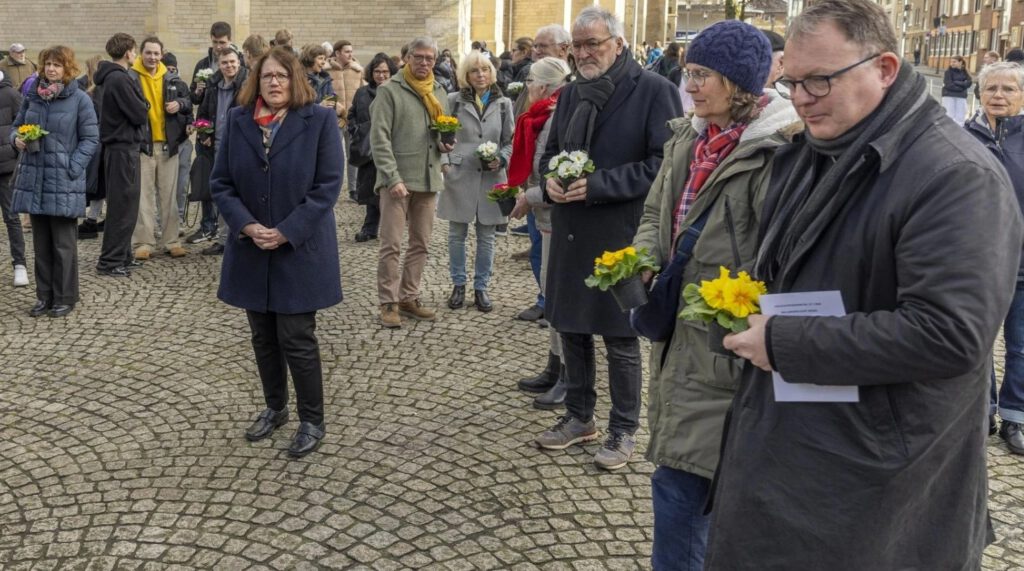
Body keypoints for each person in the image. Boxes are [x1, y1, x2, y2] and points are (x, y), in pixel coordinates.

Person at [706, 1, 1023, 567]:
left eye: (820, 80)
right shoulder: (812, 151)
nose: (801, 98)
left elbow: (949, 334)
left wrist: (781, 342)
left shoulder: (957, 176)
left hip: (877, 484)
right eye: (792, 82)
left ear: (885, 68)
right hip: (795, 446)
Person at [632, 21, 798, 568]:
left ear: (739, 82)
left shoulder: (777, 153)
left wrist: (731, 309)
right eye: (689, 73)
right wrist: (646, 259)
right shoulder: (689, 137)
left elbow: (780, 263)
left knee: (684, 491)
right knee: (680, 485)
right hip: (679, 341)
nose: (690, 85)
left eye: (702, 74)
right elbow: (655, 213)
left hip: (726, 351)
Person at [533, 7, 682, 469]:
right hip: (571, 229)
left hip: (621, 232)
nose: (583, 53)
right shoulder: (571, 92)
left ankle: (623, 428)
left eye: (592, 44)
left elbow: (664, 165)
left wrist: (599, 185)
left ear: (617, 44)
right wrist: (551, 180)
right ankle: (580, 417)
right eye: (577, 46)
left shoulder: (654, 90)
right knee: (572, 327)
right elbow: (551, 153)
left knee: (620, 337)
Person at [211, 46, 343, 458]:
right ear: (257, 80)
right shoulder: (239, 120)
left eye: (281, 76)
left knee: (296, 336)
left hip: (299, 249)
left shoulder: (319, 120)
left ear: (295, 80)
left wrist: (287, 231)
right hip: (252, 247)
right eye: (267, 76)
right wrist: (245, 224)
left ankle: (312, 420)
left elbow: (327, 187)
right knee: (263, 336)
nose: (274, 82)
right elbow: (221, 183)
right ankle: (275, 407)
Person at [370, 36, 453, 328]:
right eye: (418, 57)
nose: (424, 63)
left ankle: (408, 297)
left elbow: (440, 132)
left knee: (421, 243)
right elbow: (379, 138)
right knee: (391, 244)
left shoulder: (439, 91)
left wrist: (444, 146)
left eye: (430, 58)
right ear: (407, 58)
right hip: (397, 181)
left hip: (428, 179)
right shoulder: (389, 90)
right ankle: (388, 302)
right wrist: (391, 177)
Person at [10, 45, 99, 317]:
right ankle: (44, 296)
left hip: (63, 181)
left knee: (63, 245)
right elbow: (16, 125)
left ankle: (65, 296)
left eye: (57, 65)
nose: (51, 69)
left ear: (67, 68)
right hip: (35, 178)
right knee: (41, 244)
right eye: (48, 64)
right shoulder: (34, 96)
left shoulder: (80, 99)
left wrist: (73, 167)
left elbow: (91, 139)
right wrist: (16, 139)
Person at [965, 61, 1024, 456]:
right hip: (978, 262)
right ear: (980, 93)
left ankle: (1015, 417)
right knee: (979, 342)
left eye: (1008, 89)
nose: (999, 95)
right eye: (991, 88)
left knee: (1021, 346)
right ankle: (981, 410)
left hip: (1023, 262)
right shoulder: (962, 137)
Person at [507, 57, 573, 407]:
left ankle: (568, 374)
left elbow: (556, 175)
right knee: (551, 290)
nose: (527, 85)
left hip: (558, 218)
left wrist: (528, 197)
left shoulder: (555, 118)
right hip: (545, 216)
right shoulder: (540, 115)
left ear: (544, 87)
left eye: (531, 80)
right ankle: (554, 364)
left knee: (558, 297)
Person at [437, 50, 514, 313]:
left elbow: (509, 141)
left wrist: (502, 159)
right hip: (460, 174)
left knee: (487, 237)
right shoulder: (453, 101)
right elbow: (441, 134)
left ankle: (481, 287)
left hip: (492, 177)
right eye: (474, 70)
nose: (480, 75)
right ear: (466, 75)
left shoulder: (504, 104)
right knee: (456, 235)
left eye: (485, 70)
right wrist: (445, 163)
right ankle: (458, 285)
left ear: (492, 72)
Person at [516, 24, 573, 325]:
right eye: (535, 46)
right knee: (539, 250)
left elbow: (556, 165)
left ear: (564, 49)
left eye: (542, 46)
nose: (535, 51)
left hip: (549, 199)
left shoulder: (562, 109)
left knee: (554, 260)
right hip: (536, 193)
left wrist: (531, 194)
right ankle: (546, 300)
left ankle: (552, 307)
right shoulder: (540, 106)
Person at [129, 37, 191, 261]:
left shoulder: (172, 77)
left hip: (167, 145)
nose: (152, 57)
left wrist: (179, 104)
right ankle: (143, 242)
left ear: (162, 55)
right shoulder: (131, 77)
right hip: (142, 146)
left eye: (156, 53)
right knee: (143, 198)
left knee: (169, 196)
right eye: (148, 53)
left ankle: (171, 241)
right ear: (141, 53)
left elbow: (188, 102)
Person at [95, 33, 149, 279]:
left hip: (120, 149)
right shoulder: (119, 78)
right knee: (123, 206)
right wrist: (144, 105)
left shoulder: (112, 78)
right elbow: (139, 113)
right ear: (128, 52)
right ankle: (110, 261)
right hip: (122, 149)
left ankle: (123, 255)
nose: (135, 55)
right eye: (135, 51)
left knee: (126, 204)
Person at [193, 45, 249, 256]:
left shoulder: (247, 85)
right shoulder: (213, 85)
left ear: (239, 62)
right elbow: (203, 114)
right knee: (223, 195)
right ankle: (225, 239)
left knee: (242, 193)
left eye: (232, 62)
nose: (229, 66)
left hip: (241, 148)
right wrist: (204, 133)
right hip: (217, 148)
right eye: (224, 63)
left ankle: (243, 235)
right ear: (218, 65)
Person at [348, 53, 397, 243]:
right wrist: (356, 129)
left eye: (385, 71)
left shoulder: (396, 92)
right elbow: (352, 114)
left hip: (389, 148)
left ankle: (388, 229)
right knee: (370, 189)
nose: (381, 75)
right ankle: (370, 227)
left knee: (388, 188)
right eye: (377, 71)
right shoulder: (362, 93)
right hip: (367, 148)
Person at [327, 40, 365, 200]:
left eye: (351, 51)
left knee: (353, 154)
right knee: (333, 155)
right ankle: (330, 187)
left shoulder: (358, 71)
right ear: (337, 53)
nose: (351, 54)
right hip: (334, 119)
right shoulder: (327, 71)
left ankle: (353, 189)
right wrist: (340, 110)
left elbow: (363, 94)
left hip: (353, 120)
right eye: (347, 51)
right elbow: (325, 95)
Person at [0, 70, 27, 287]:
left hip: (6, 167)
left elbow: (22, 127)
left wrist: (14, 151)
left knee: (11, 217)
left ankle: (20, 265)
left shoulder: (11, 94)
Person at [161, 52, 193, 227]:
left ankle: (179, 219)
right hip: (165, 142)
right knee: (164, 187)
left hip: (181, 139)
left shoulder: (181, 84)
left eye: (173, 69)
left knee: (181, 184)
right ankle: (162, 221)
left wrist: (189, 122)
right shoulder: (157, 84)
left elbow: (189, 107)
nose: (171, 72)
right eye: (168, 68)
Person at [77, 55, 106, 240]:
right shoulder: (85, 87)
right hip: (98, 140)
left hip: (97, 141)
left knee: (99, 183)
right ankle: (91, 219)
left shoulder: (96, 90)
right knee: (99, 183)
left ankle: (91, 220)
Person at [190, 22, 236, 104]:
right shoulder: (202, 64)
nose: (218, 47)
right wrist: (198, 92)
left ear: (230, 41)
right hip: (207, 111)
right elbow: (194, 99)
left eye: (222, 42)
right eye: (215, 42)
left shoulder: (240, 63)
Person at [942, 55, 971, 122]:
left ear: (960, 62)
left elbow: (969, 83)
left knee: (961, 116)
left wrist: (956, 82)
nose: (952, 63)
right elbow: (949, 85)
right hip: (949, 95)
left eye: (954, 62)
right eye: (951, 62)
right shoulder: (948, 72)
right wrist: (962, 87)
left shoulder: (965, 72)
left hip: (961, 96)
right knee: (949, 116)